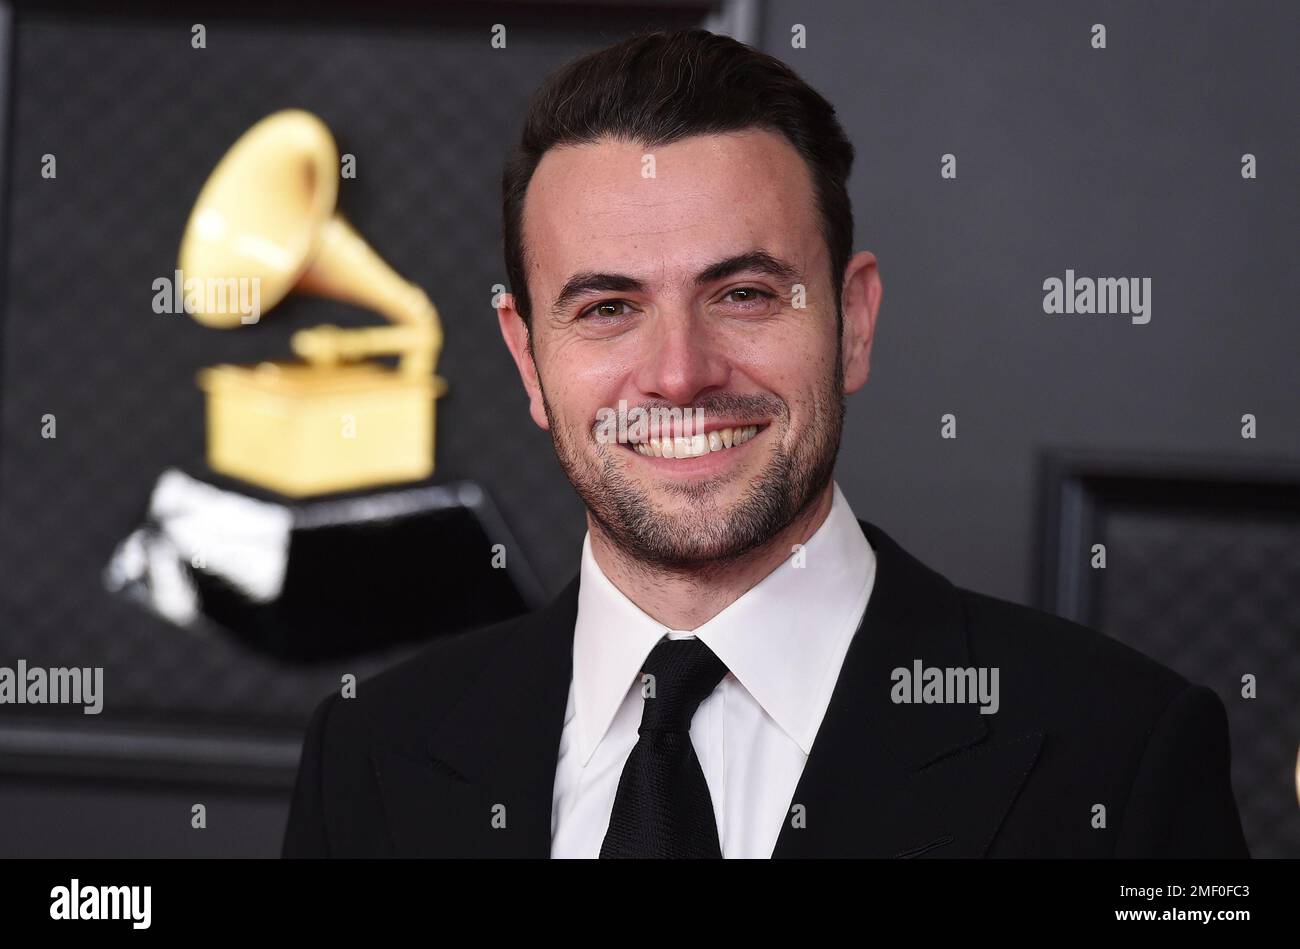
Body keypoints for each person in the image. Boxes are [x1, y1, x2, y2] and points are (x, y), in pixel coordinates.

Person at [283, 28, 1248, 858]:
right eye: (609, 307)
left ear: (854, 321)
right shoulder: (370, 756)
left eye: (743, 294)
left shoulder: (1117, 749)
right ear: (529, 359)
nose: (679, 372)